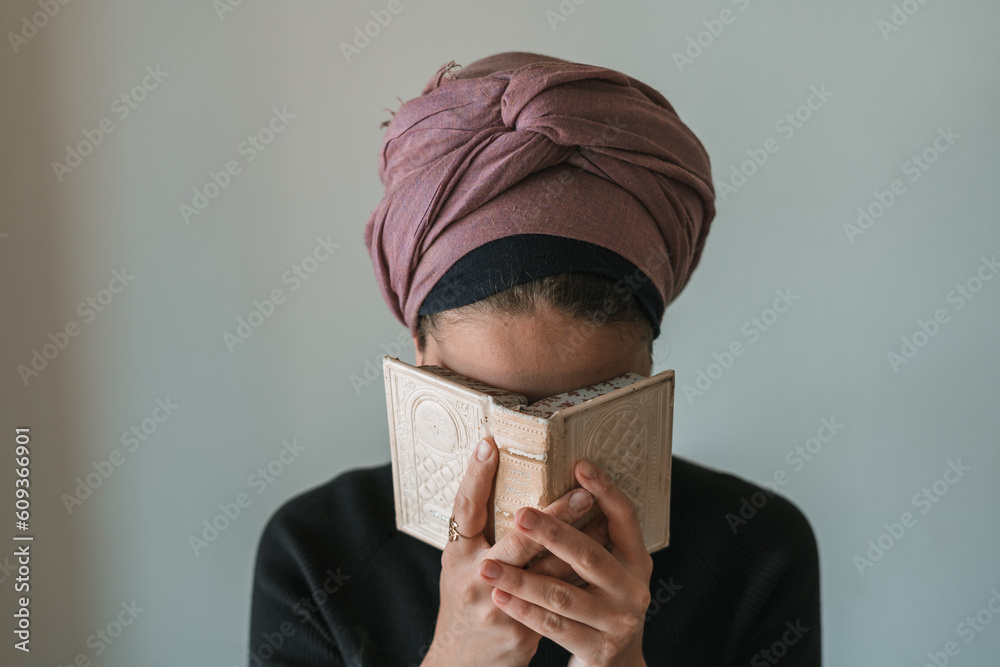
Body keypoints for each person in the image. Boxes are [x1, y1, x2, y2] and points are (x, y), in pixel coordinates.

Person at [248, 51, 821, 666]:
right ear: (418, 355)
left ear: (647, 376)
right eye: (485, 407)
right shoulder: (314, 552)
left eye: (584, 407)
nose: (534, 492)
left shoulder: (759, 548)